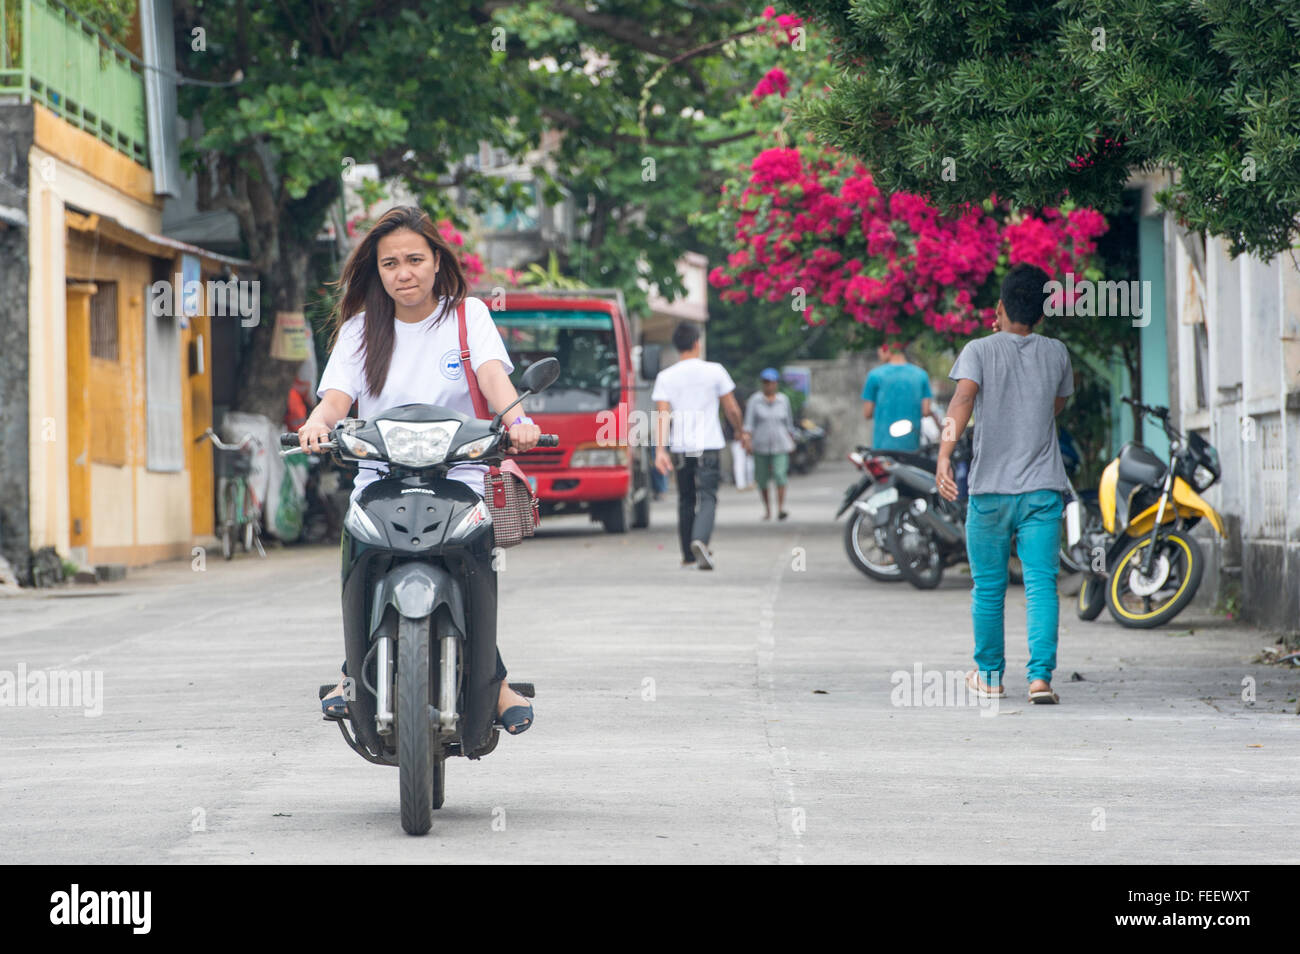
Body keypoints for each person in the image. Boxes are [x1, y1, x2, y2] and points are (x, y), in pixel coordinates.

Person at [300, 205, 541, 734]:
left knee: (472, 566)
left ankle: (493, 682)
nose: (402, 273)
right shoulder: (361, 328)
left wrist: (517, 420)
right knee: (361, 562)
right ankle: (351, 674)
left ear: (437, 261)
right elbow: (335, 400)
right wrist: (316, 424)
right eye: (390, 264)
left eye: (414, 259)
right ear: (377, 271)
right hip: (379, 480)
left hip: (459, 477)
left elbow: (494, 379)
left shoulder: (466, 316)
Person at [936, 264, 1074, 705]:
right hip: (1042, 490)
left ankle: (990, 676)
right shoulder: (1056, 353)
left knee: (990, 586)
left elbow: (962, 400)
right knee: (1040, 583)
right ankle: (1040, 680)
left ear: (999, 307)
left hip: (991, 490)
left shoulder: (979, 350)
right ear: (1042, 311)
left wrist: (943, 455)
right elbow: (1054, 407)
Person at [652, 322, 743, 570]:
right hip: (708, 445)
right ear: (696, 343)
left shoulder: (665, 377)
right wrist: (739, 430)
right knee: (708, 496)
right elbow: (732, 408)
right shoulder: (715, 371)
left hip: (681, 447)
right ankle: (700, 540)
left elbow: (663, 416)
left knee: (685, 499)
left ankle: (687, 555)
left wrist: (660, 451)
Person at [861, 342, 937, 451]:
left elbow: (867, 413)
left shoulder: (874, 375)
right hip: (911, 444)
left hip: (882, 445)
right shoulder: (921, 375)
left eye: (880, 349)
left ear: (887, 349)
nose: (878, 353)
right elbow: (926, 411)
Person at [742, 368, 795, 520]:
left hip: (780, 444)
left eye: (771, 383)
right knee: (762, 479)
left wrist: (792, 440)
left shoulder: (783, 400)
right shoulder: (755, 400)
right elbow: (749, 425)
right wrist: (747, 441)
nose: (768, 386)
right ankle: (767, 510)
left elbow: (788, 423)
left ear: (776, 384)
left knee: (780, 475)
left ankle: (780, 508)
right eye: (765, 383)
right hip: (760, 445)